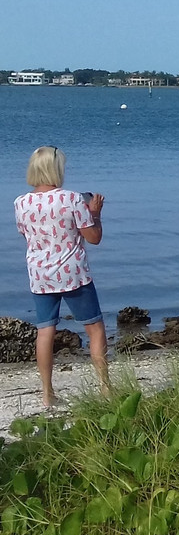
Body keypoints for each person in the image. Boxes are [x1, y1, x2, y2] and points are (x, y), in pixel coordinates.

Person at [14, 146, 110, 408]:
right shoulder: (71, 199)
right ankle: (104, 387)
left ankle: (47, 394)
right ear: (56, 169)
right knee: (95, 328)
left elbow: (28, 237)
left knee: (45, 331)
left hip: (40, 275)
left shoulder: (21, 203)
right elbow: (94, 238)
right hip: (73, 274)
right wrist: (96, 213)